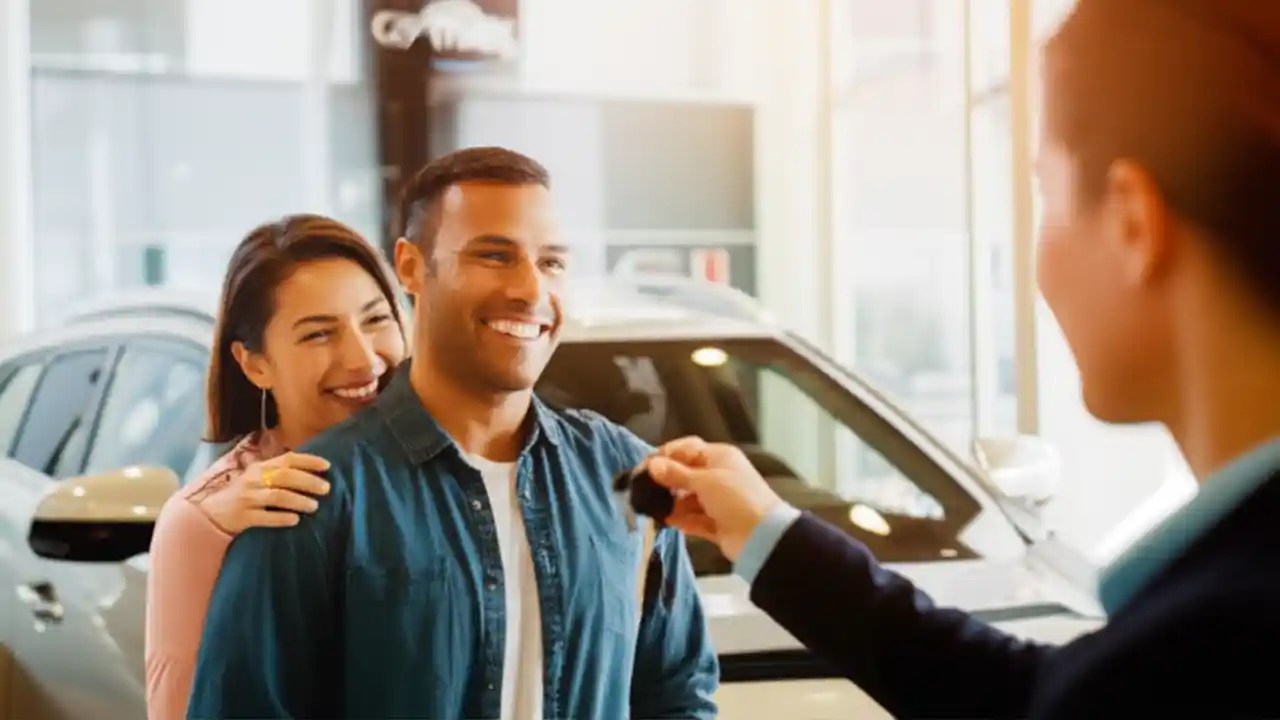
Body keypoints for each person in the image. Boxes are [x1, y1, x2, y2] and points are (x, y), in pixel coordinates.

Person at [645, 0, 1280, 717]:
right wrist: (767, 530)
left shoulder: (1216, 641)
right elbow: (1024, 695)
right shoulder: (1206, 638)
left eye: (1048, 192)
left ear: (1134, 222)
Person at [187, 147, 718, 719]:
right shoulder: (311, 497)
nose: (530, 290)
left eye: (552, 263)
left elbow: (678, 694)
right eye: (494, 255)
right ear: (412, 267)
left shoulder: (625, 478)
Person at [144, 215, 409, 720]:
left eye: (376, 320)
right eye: (318, 335)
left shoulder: (446, 475)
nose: (363, 358)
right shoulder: (212, 519)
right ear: (254, 363)